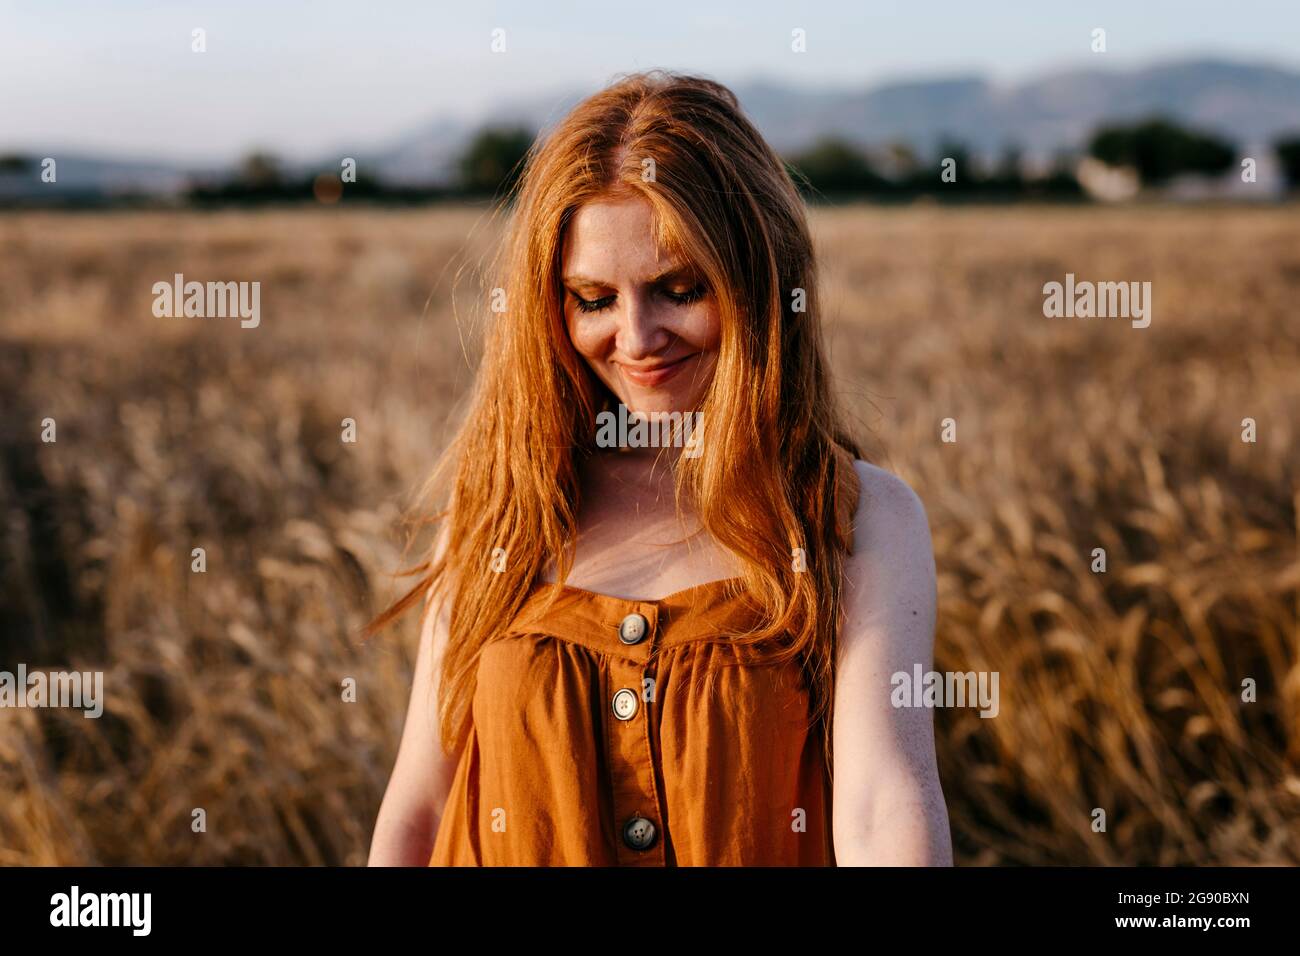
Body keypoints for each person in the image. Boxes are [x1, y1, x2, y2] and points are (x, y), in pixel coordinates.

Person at [366, 70, 951, 866]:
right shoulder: (499, 511)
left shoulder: (856, 519)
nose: (636, 337)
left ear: (759, 279)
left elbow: (883, 809)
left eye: (678, 289)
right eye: (594, 298)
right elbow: (418, 811)